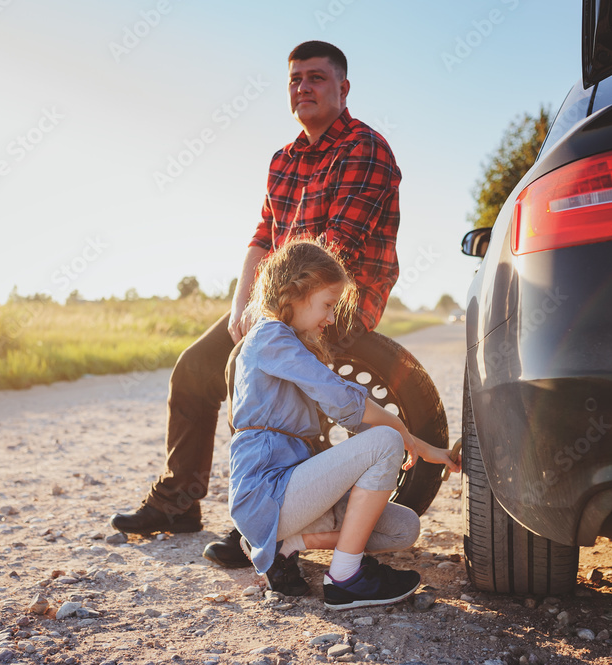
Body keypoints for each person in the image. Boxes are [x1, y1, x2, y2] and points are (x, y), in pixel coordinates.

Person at [110, 40, 404, 570]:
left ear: (343, 87)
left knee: (250, 367)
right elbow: (263, 237)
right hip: (276, 301)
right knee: (196, 366)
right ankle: (179, 501)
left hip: (334, 299)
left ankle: (261, 516)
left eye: (316, 77)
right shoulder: (283, 159)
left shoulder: (365, 148)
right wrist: (240, 306)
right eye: (295, 79)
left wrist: (266, 323)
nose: (303, 87)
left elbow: (332, 253)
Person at [230, 239, 460, 607]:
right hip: (266, 492)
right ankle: (346, 577)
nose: (331, 318)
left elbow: (350, 418)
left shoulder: (293, 345)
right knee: (385, 439)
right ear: (295, 291)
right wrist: (407, 441)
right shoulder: (269, 336)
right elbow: (346, 401)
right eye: (327, 304)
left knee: (403, 528)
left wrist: (430, 451)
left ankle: (286, 544)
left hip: (295, 496)